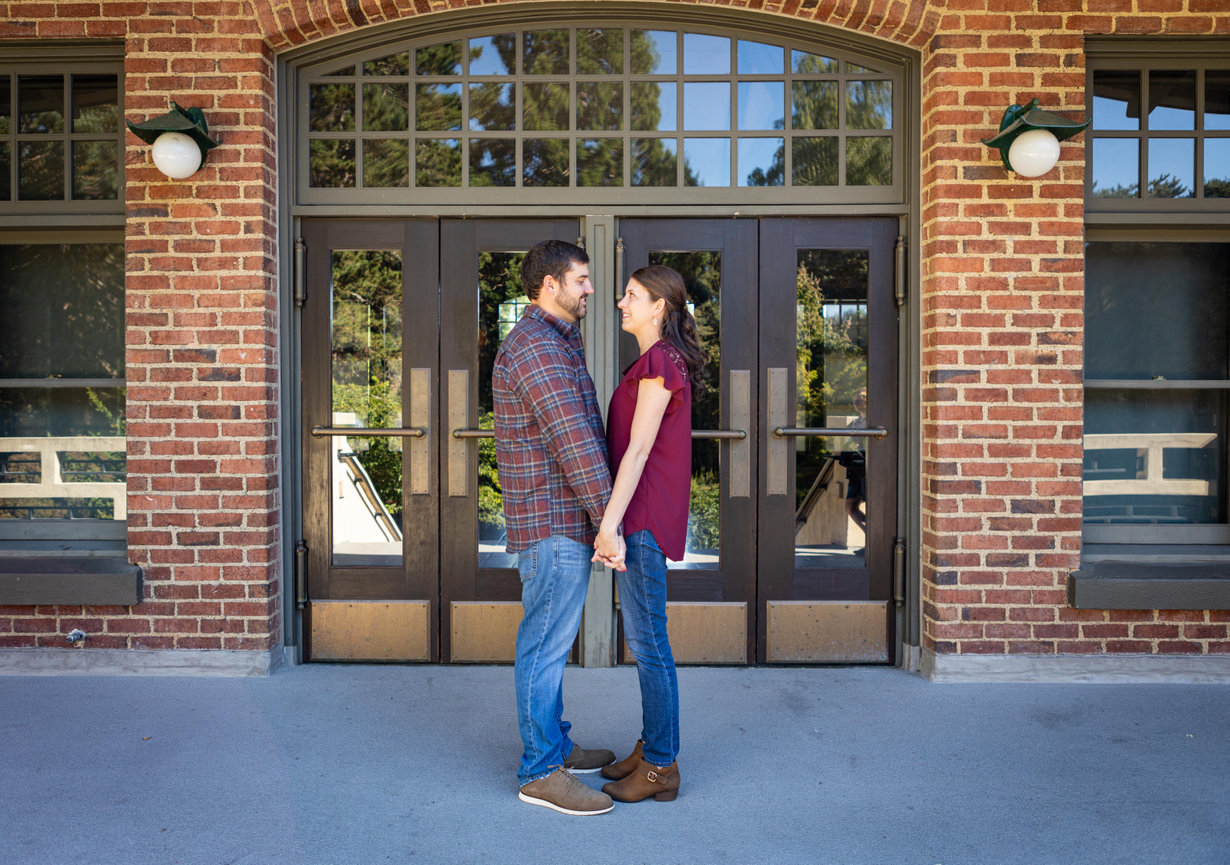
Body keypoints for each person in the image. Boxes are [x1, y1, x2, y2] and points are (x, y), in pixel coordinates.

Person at [492, 239, 624, 816]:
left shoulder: (553, 342)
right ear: (550, 284)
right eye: (582, 279)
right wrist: (608, 523)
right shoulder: (537, 349)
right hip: (552, 523)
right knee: (544, 645)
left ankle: (556, 745)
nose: (591, 289)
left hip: (559, 520)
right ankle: (540, 771)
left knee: (549, 642)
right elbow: (574, 442)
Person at [592, 265, 705, 804]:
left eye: (632, 295)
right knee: (646, 640)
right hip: (637, 517)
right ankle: (653, 746)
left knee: (649, 644)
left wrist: (609, 526)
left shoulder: (661, 362)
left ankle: (661, 767)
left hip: (640, 520)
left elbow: (637, 451)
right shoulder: (654, 360)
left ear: (659, 306)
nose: (621, 302)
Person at [843, 388, 868, 538]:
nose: (858, 401)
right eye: (855, 399)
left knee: (871, 504)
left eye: (862, 397)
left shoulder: (873, 421)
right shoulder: (854, 423)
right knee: (850, 506)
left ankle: (873, 541)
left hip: (867, 467)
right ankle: (870, 534)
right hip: (855, 467)